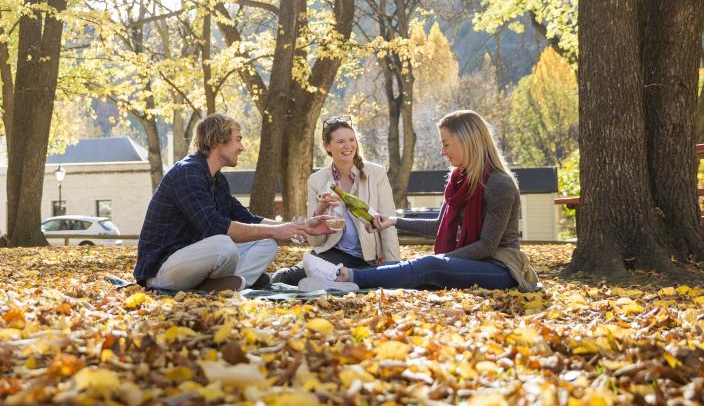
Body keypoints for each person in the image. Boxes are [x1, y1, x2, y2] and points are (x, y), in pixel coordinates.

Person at [303, 110, 541, 291]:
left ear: (467, 141)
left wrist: (439, 260)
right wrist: (394, 221)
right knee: (391, 268)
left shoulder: (499, 184)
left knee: (428, 265)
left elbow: (487, 247)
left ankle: (342, 278)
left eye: (446, 144)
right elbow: (440, 225)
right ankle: (346, 278)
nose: (442, 151)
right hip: (472, 263)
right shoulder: (459, 181)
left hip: (500, 268)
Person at [134, 113, 333, 292]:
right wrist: (276, 230)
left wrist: (301, 227)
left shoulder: (217, 180)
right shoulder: (187, 173)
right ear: (218, 140)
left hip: (194, 261)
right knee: (223, 243)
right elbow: (214, 226)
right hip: (161, 270)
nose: (242, 147)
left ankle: (227, 284)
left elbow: (247, 218)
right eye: (238, 140)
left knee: (266, 243)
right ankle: (229, 282)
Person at [271, 115, 399, 286]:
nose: (348, 146)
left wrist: (395, 268)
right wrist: (320, 210)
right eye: (340, 142)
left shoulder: (376, 174)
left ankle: (339, 280)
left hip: (369, 258)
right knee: (287, 277)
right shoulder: (316, 180)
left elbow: (388, 224)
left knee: (362, 279)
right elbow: (315, 242)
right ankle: (337, 280)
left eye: (351, 140)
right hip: (333, 254)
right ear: (327, 146)